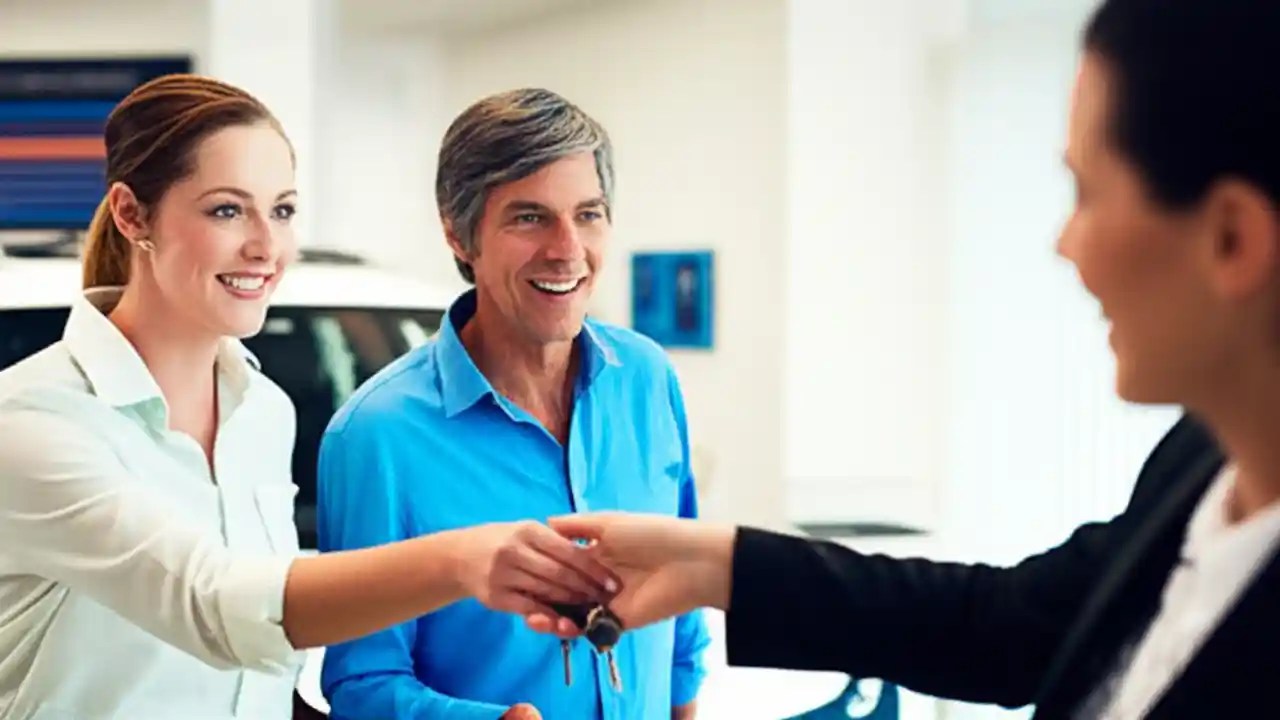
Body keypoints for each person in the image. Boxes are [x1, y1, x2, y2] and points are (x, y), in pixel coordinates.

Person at [530, 0, 1280, 717]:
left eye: (1088, 193)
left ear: (1232, 240)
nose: (1065, 244)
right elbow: (1012, 626)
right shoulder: (1203, 465)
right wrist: (716, 564)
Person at [0, 75, 618, 720]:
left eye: (284, 210)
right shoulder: (34, 422)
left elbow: (253, 684)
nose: (267, 246)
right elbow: (215, 606)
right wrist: (466, 557)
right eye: (226, 210)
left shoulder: (264, 412)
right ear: (132, 214)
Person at [315, 88, 710, 720]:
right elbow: (364, 679)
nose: (567, 249)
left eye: (588, 214)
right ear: (458, 231)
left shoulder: (646, 376)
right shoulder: (376, 435)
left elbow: (681, 608)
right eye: (530, 217)